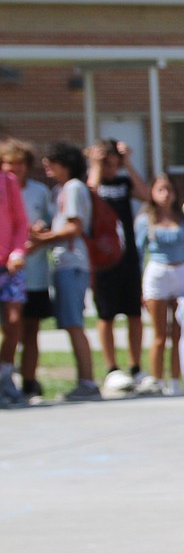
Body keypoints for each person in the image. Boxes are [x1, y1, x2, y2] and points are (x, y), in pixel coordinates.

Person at [87, 139, 152, 388]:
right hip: (103, 259)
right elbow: (91, 196)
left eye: (115, 164)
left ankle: (135, 367)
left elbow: (146, 195)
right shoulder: (93, 183)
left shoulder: (124, 182)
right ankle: (111, 367)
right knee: (107, 314)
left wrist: (128, 164)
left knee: (134, 313)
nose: (111, 169)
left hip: (128, 258)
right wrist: (95, 164)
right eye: (107, 164)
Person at [41, 143, 103, 400]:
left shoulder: (73, 188)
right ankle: (85, 380)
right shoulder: (61, 190)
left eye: (51, 163)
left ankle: (87, 381)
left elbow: (74, 227)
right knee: (70, 323)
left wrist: (42, 239)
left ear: (63, 163)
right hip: (67, 263)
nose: (47, 169)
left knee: (74, 323)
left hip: (73, 262)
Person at [2, 141, 56, 403]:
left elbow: (27, 223)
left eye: (19, 163)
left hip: (21, 269)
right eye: (9, 162)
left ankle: (17, 379)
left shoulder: (25, 188)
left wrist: (21, 249)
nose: (14, 168)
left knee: (23, 325)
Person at [131, 176, 184, 396]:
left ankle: (176, 380)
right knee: (159, 334)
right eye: (160, 190)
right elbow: (139, 254)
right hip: (157, 274)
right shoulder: (145, 220)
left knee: (178, 332)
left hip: (180, 273)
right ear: (152, 193)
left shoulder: (183, 219)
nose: (165, 194)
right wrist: (138, 287)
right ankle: (156, 379)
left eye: (169, 189)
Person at [0, 163, 26, 406]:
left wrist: (17, 251)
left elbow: (20, 222)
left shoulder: (7, 181)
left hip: (8, 265)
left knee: (14, 321)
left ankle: (5, 374)